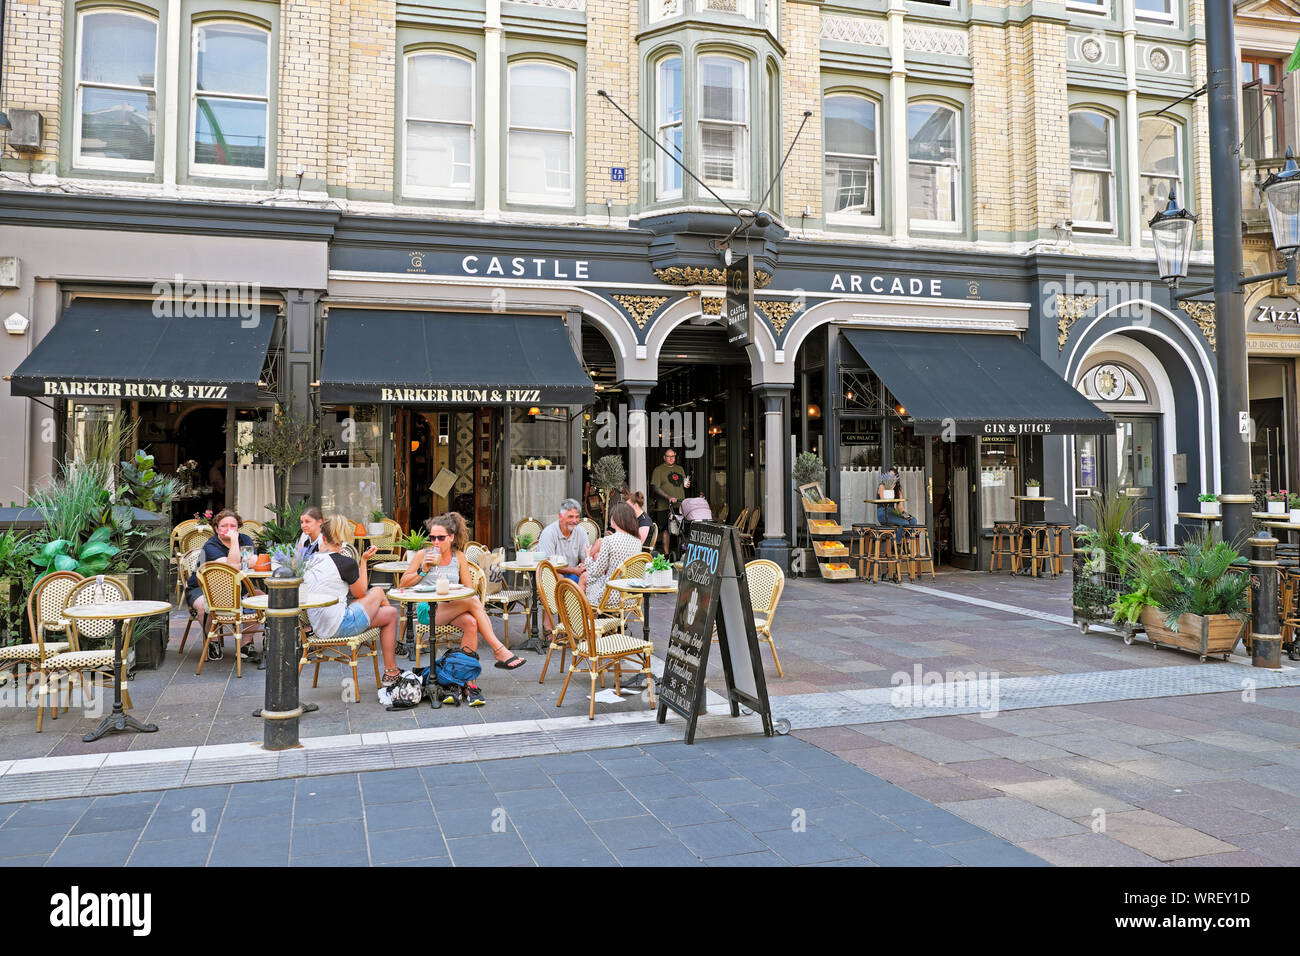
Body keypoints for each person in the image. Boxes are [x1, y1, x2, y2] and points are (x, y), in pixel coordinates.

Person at [400, 511, 525, 706]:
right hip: (428, 610)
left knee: (471, 622)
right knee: (473, 601)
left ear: (451, 537)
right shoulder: (424, 555)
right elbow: (404, 582)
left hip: (450, 607)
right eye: (432, 537)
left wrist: (452, 590)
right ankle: (498, 649)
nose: (435, 542)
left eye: (440, 538)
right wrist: (423, 570)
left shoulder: (459, 557)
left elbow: (467, 589)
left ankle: (466, 681)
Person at [303, 514, 401, 686]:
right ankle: (391, 670)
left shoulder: (309, 561)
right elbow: (361, 593)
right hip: (339, 625)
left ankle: (391, 664)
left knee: (389, 611)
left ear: (323, 537)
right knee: (380, 595)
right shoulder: (344, 563)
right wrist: (363, 561)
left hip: (318, 626)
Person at [184, 509, 261, 663]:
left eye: (233, 526)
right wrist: (234, 543)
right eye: (224, 526)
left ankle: (245, 644)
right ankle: (212, 642)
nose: (229, 529)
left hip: (237, 586)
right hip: (203, 588)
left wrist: (238, 560)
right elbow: (232, 566)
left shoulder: (245, 539)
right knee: (203, 606)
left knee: (259, 599)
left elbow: (254, 561)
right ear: (217, 529)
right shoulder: (211, 545)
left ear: (238, 527)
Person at [537, 498, 588, 637]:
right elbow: (546, 564)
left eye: (577, 517)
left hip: (574, 572)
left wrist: (583, 564)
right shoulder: (549, 533)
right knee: (557, 579)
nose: (574, 520)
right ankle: (549, 626)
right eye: (570, 516)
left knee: (588, 577)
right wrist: (573, 570)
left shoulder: (581, 532)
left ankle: (578, 625)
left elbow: (585, 557)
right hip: (551, 573)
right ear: (561, 517)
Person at [580, 502, 645, 609]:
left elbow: (596, 572)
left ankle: (589, 622)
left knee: (584, 577)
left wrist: (587, 557)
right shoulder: (637, 541)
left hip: (612, 595)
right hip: (631, 596)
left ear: (615, 519)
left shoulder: (609, 540)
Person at [649, 448, 689, 555]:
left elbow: (684, 483)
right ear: (664, 457)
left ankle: (681, 553)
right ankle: (666, 554)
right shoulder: (659, 470)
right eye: (668, 456)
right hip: (665, 506)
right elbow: (655, 488)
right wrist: (668, 497)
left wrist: (686, 485)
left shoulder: (680, 469)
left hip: (680, 504)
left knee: (680, 529)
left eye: (673, 456)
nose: (671, 458)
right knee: (666, 530)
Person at [877, 467, 917, 543]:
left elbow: (900, 507)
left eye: (893, 476)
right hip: (883, 512)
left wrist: (905, 515)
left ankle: (906, 543)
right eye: (889, 475)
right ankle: (897, 544)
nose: (890, 478)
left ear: (896, 478)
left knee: (913, 521)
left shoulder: (898, 489)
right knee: (904, 522)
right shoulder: (882, 486)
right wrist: (890, 488)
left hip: (893, 512)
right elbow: (884, 501)